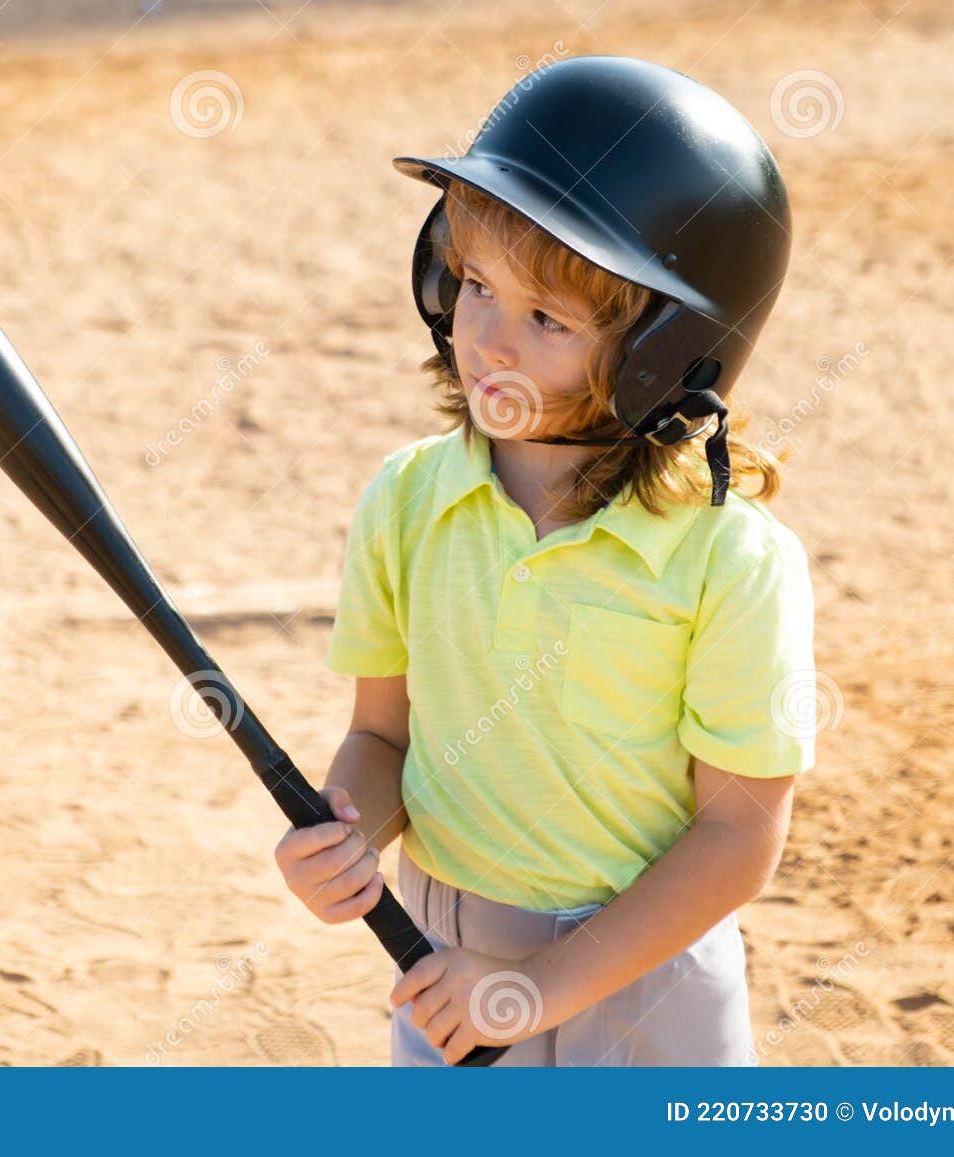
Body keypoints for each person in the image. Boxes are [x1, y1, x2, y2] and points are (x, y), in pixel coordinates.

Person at [275, 55, 816, 1066]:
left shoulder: (730, 558)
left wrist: (536, 987)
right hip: (444, 967)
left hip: (646, 990)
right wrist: (350, 827)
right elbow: (380, 736)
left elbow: (738, 838)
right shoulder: (407, 499)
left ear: (663, 352)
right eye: (475, 284)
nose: (488, 339)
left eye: (547, 318)